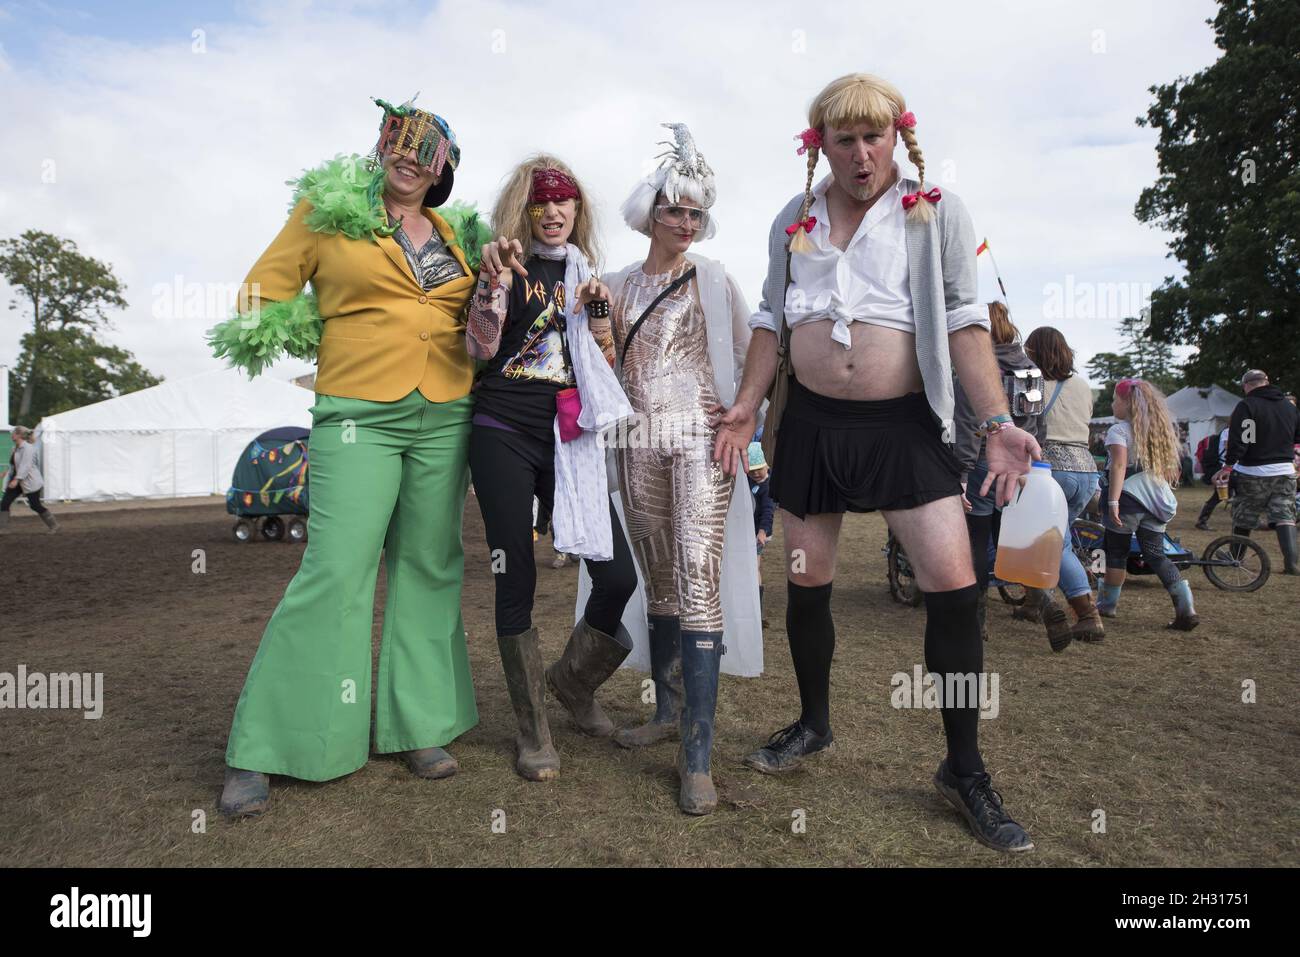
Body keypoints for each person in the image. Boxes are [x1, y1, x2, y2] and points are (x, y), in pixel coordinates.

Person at [712, 74, 1039, 851]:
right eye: (843, 140)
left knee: (955, 591)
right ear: (818, 144)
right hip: (815, 426)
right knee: (805, 579)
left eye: (874, 137)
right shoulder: (794, 218)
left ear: (898, 135)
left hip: (905, 425)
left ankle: (963, 767)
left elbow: (964, 320)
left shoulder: (934, 211)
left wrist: (996, 419)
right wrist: (748, 405)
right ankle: (815, 722)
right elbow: (768, 318)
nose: (860, 155)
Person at [213, 97, 482, 816]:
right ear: (380, 145)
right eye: (398, 138)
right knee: (335, 568)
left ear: (442, 167)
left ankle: (419, 725)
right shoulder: (327, 212)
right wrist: (333, 338)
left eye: (426, 148)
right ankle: (269, 744)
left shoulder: (458, 235)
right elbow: (257, 294)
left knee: (430, 565)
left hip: (446, 414)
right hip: (359, 415)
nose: (408, 154)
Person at [591, 124, 762, 815]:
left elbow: (758, 350)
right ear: (650, 214)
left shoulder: (715, 281)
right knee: (659, 574)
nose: (687, 223)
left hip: (699, 439)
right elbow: (601, 363)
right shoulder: (612, 285)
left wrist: (743, 411)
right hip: (636, 441)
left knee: (697, 574)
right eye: (675, 211)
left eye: (695, 212)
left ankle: (697, 756)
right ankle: (667, 709)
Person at [466, 156, 638, 781]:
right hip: (502, 430)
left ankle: (570, 682)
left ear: (579, 211)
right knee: (516, 574)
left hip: (570, 439)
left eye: (566, 200)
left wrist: (596, 312)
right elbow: (479, 348)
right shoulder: (502, 264)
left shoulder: (590, 276)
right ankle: (533, 731)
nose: (556, 210)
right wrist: (493, 287)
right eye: (543, 200)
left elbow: (604, 366)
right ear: (525, 208)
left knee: (617, 576)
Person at [953, 302, 1045, 643]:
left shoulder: (975, 367)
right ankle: (1042, 601)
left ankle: (978, 620)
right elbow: (1040, 422)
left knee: (977, 540)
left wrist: (961, 472)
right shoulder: (1032, 369)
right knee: (1014, 538)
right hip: (1023, 464)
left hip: (981, 463)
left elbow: (965, 422)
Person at [1023, 325, 1104, 644]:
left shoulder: (1032, 384)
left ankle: (1088, 615)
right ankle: (1033, 603)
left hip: (1051, 469)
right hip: (1085, 469)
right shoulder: (1082, 385)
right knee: (1049, 538)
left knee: (1055, 543)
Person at [1097, 378, 1198, 628]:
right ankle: (1186, 609)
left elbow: (1119, 466)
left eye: (1114, 399)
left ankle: (1107, 605)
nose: (1112, 404)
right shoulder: (1157, 431)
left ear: (1126, 403)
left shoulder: (1118, 431)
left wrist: (1112, 502)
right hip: (1153, 503)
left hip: (1127, 501)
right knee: (1156, 554)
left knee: (1116, 553)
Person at [1212, 369, 1300, 574]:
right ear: (1266, 382)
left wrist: (1228, 465)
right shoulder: (1288, 406)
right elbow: (1297, 436)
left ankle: (1235, 558)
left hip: (1254, 471)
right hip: (1285, 471)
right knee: (1285, 515)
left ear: (1247, 385)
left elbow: (1243, 439)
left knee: (1244, 515)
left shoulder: (1248, 405)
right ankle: (1292, 564)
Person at [1, 427, 58, 533]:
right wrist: (5, 473)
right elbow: (15, 465)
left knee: (35, 505)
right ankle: (2, 529)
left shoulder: (28, 448)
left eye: (13, 433)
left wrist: (16, 480)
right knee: (4, 503)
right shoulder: (15, 448)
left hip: (30, 481)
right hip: (17, 480)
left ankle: (54, 525)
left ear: (19, 435)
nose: (11, 435)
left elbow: (25, 466)